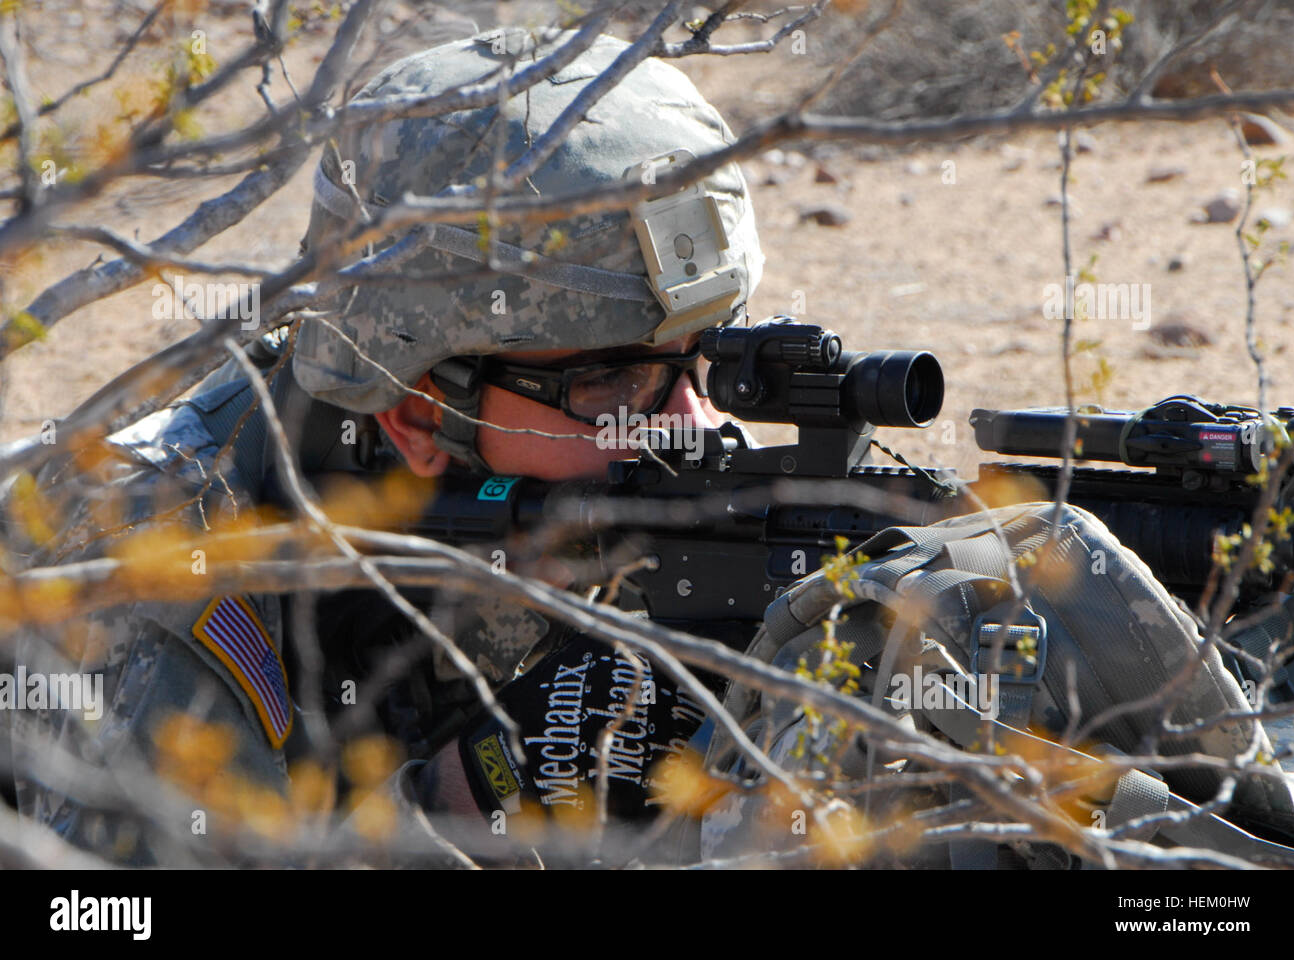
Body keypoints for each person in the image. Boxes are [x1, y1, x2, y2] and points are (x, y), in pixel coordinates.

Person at [2, 26, 763, 865]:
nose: (696, 427)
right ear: (419, 414)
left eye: (710, 357)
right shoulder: (148, 570)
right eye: (613, 385)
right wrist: (462, 801)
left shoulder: (661, 481)